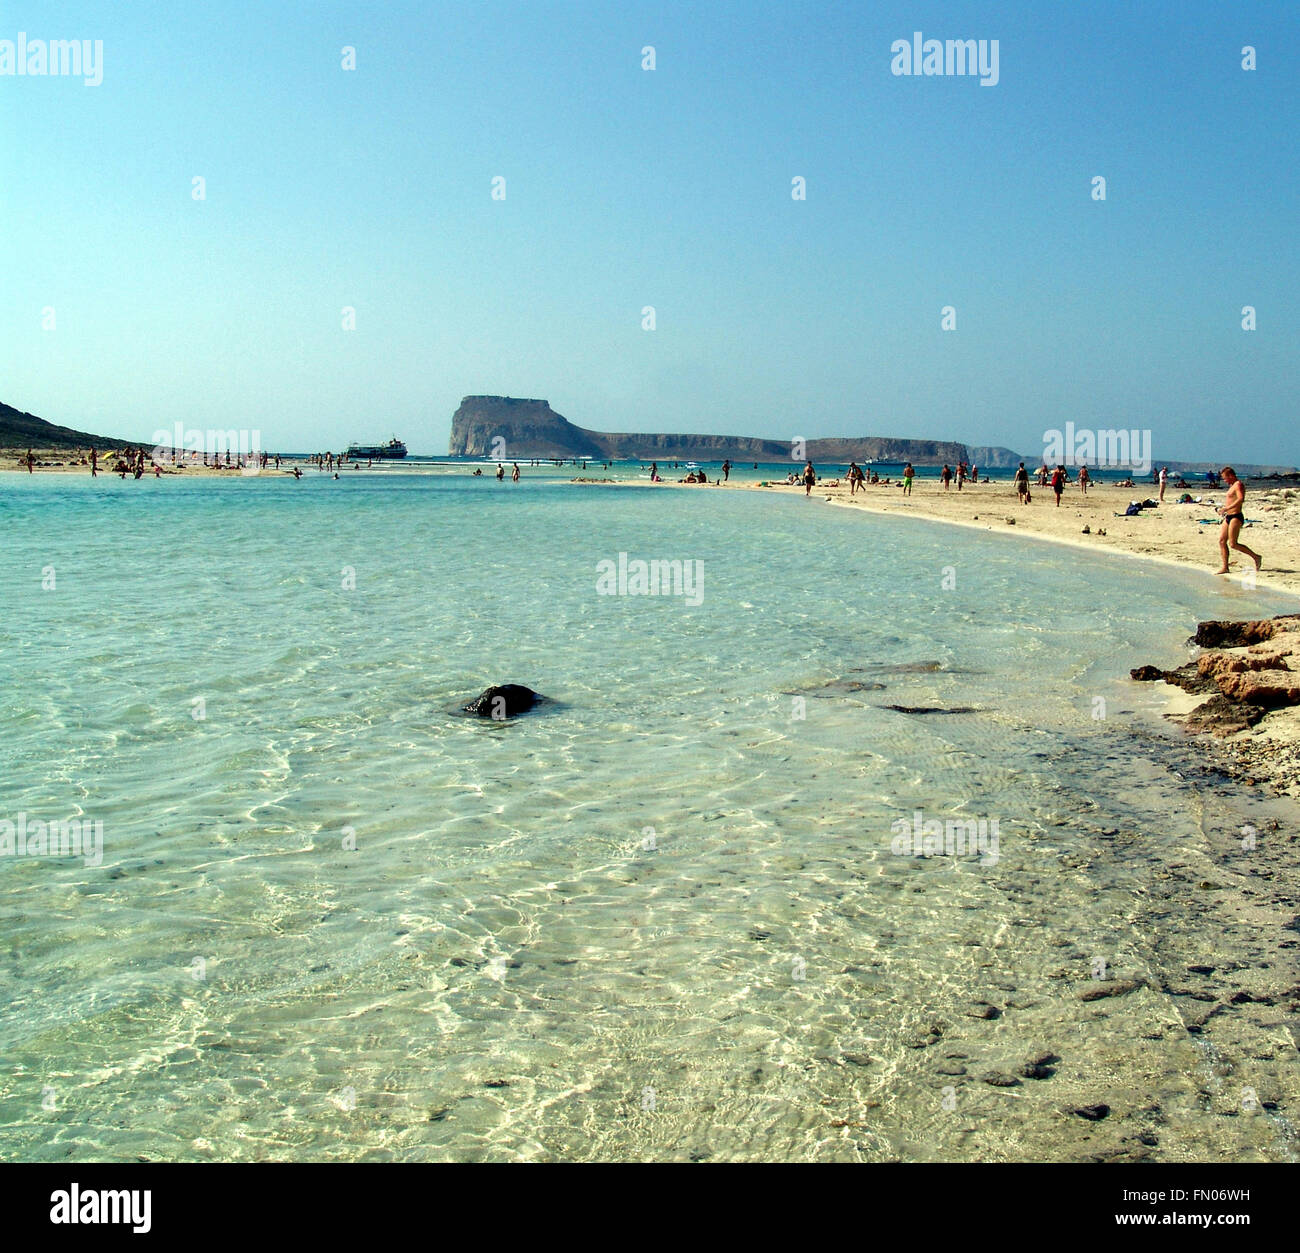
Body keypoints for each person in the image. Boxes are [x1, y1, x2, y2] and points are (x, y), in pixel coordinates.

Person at [1215, 467, 1262, 575]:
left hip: (1236, 516)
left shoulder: (1238, 485)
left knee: (1233, 544)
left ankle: (1256, 557)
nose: (1224, 481)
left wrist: (1226, 508)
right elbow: (1231, 500)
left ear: (1230, 475)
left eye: (1225, 478)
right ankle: (1225, 567)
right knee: (1222, 541)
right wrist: (1223, 509)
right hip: (1228, 516)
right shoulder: (1232, 486)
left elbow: (1241, 499)